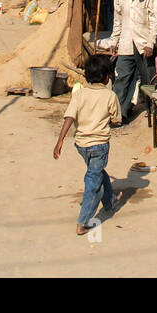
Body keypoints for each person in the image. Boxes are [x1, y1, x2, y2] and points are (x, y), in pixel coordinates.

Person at [53, 54, 122, 234]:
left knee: (96, 171)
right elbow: (116, 120)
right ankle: (82, 222)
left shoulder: (79, 94)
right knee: (93, 183)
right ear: (107, 77)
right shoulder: (110, 96)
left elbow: (69, 117)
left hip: (81, 145)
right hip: (99, 145)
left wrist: (60, 140)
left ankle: (110, 201)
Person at [110, 0, 157, 121]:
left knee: (148, 79)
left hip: (144, 45)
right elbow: (117, 21)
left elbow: (155, 21)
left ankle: (152, 111)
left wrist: (150, 43)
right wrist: (114, 41)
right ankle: (119, 113)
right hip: (125, 43)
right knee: (122, 78)